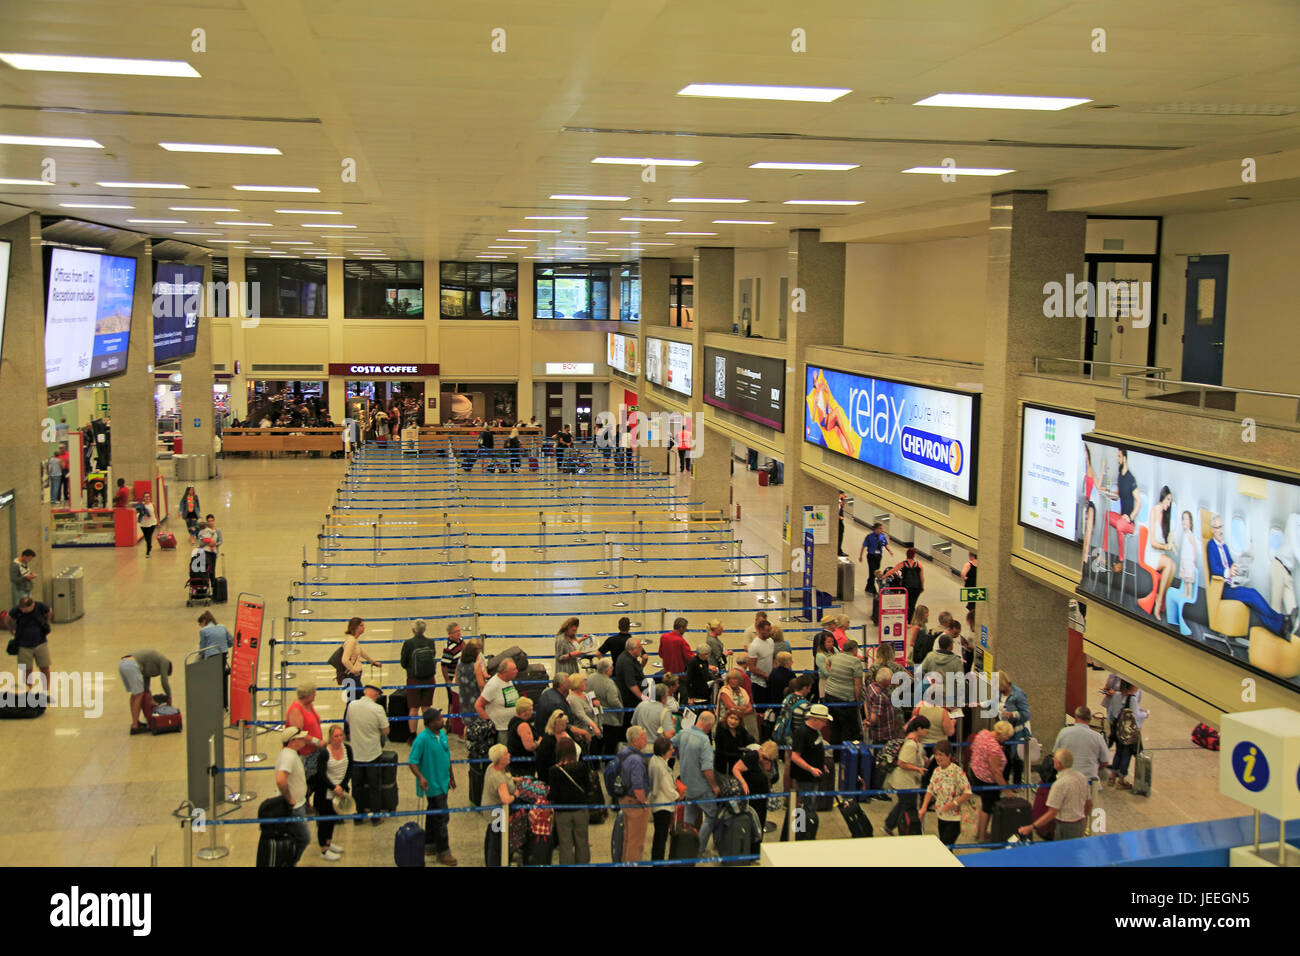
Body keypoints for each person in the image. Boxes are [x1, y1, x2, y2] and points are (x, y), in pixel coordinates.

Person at [1207, 513, 1298, 638]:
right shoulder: (1211, 546)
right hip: (1221, 588)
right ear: (1212, 530)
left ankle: (1281, 629)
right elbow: (1214, 569)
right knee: (1253, 595)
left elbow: (1231, 563)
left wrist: (1239, 566)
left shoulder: (1225, 546)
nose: (1220, 530)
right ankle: (1283, 621)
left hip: (1231, 584)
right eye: (1217, 528)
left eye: (1221, 527)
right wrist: (1228, 571)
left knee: (1254, 602)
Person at [408, 708, 457, 865]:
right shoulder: (421, 739)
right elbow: (413, 762)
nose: (442, 721)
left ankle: (429, 844)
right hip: (432, 785)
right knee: (442, 818)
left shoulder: (442, 735)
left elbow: (447, 756)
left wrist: (452, 776)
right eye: (438, 719)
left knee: (432, 814)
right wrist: (421, 777)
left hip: (443, 782)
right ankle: (443, 852)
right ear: (430, 723)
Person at [1019, 749, 1092, 841]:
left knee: (1062, 853)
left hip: (1065, 827)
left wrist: (1031, 827)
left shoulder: (1059, 784)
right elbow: (1089, 803)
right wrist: (1083, 822)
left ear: (1058, 763)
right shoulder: (1081, 777)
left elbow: (1052, 812)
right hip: (1079, 823)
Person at [675, 712, 719, 853]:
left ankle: (686, 846)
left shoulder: (683, 733)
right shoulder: (704, 741)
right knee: (711, 816)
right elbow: (707, 768)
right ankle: (698, 848)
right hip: (701, 787)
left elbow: (670, 745)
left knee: (689, 818)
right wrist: (714, 786)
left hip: (686, 785)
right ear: (708, 725)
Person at [309, 723, 353, 861]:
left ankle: (329, 842)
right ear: (330, 737)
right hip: (326, 792)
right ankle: (323, 849)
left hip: (340, 791)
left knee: (333, 818)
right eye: (336, 736)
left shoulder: (348, 749)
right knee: (324, 821)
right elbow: (321, 775)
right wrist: (334, 787)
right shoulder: (324, 753)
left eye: (341, 735)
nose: (339, 739)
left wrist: (342, 786)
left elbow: (349, 769)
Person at [790, 703, 832, 839]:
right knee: (806, 807)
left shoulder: (816, 732)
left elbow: (816, 750)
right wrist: (811, 769)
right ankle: (802, 835)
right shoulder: (802, 733)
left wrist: (822, 765)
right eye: (824, 721)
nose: (825, 724)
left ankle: (807, 832)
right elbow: (795, 756)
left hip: (814, 776)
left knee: (810, 806)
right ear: (815, 719)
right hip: (805, 777)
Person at [919, 739, 973, 846]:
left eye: (941, 754)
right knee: (946, 846)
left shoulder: (957, 771)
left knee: (945, 845)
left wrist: (953, 804)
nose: (938, 757)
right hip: (941, 815)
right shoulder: (937, 771)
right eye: (936, 754)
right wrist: (924, 807)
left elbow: (967, 792)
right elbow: (930, 789)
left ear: (949, 756)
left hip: (955, 817)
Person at [548, 737, 593, 864]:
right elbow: (588, 788)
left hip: (563, 812)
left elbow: (553, 794)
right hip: (581, 810)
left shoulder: (553, 771)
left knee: (565, 843)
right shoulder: (582, 767)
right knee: (582, 841)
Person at [884, 716, 930, 835]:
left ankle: (889, 825)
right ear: (919, 728)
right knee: (907, 807)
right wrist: (918, 768)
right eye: (926, 729)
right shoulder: (911, 744)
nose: (928, 732)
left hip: (908, 782)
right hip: (905, 782)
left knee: (903, 804)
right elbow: (901, 763)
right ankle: (903, 829)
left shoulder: (916, 741)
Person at [275, 726, 313, 865]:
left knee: (295, 838)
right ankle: (290, 862)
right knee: (304, 838)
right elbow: (280, 780)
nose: (304, 739)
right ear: (292, 741)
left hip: (297, 804)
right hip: (294, 807)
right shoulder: (289, 756)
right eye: (300, 738)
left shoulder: (289, 753)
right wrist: (289, 798)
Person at [970, 721, 1014, 842]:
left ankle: (980, 832)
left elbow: (972, 747)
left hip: (976, 774)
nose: (1006, 740)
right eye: (1006, 737)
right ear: (1000, 734)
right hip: (987, 780)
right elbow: (996, 772)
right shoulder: (994, 748)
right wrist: (1006, 790)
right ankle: (982, 837)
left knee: (984, 804)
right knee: (987, 808)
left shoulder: (983, 733)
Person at [1053, 705, 1112, 794]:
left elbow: (1055, 755)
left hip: (1065, 781)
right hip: (1089, 783)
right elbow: (1105, 762)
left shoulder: (1064, 732)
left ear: (1075, 717)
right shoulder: (1097, 737)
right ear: (1090, 719)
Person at [1103, 447, 1142, 576]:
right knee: (1106, 515)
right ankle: (1103, 552)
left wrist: (1130, 518)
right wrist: (1108, 493)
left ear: (1124, 458)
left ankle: (1121, 560)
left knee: (1120, 525)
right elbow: (1118, 495)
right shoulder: (1120, 476)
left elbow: (1139, 502)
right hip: (1121, 519)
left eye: (1119, 456)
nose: (1117, 459)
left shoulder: (1131, 479)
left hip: (1129, 524)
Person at [864, 667, 903, 799]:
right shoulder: (880, 696)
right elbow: (875, 718)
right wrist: (870, 720)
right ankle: (877, 791)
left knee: (877, 760)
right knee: (882, 762)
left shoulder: (871, 687)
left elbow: (865, 703)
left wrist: (867, 717)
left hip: (876, 733)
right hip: (882, 733)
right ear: (886, 680)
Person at [616, 726, 652, 862]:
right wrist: (643, 803)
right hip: (634, 803)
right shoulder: (636, 760)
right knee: (636, 842)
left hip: (624, 799)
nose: (646, 740)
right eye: (643, 737)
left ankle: (625, 862)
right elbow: (638, 786)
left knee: (628, 837)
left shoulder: (623, 752)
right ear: (636, 740)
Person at [400, 619, 439, 738]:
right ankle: (429, 733)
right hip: (429, 679)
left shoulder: (408, 643)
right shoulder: (431, 642)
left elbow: (403, 662)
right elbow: (433, 656)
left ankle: (412, 735)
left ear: (413, 630)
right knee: (426, 708)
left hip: (413, 679)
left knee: (414, 709)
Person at [822, 638, 865, 745]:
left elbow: (827, 661)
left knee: (834, 726)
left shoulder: (835, 657)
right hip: (845, 699)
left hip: (829, 694)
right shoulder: (856, 662)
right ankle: (848, 755)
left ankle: (836, 754)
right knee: (849, 729)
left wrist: (831, 671)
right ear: (855, 650)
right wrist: (858, 701)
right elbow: (858, 685)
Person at [118, 649, 171, 733]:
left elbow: (146, 685)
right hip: (132, 665)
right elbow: (164, 680)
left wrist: (151, 700)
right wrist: (169, 696)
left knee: (135, 694)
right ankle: (135, 726)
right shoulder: (165, 662)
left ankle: (135, 722)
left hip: (123, 664)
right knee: (139, 694)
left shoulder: (152, 663)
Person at [346, 684, 390, 786]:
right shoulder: (378, 709)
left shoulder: (352, 705)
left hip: (356, 754)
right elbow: (386, 730)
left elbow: (348, 722)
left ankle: (358, 803)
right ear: (376, 694)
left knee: (357, 788)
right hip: (373, 753)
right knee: (374, 788)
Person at [1144, 486, 1177, 618]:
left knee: (1173, 567)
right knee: (1169, 564)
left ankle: (1161, 597)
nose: (1168, 504)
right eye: (1168, 500)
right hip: (1150, 554)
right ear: (1163, 497)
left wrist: (1170, 544)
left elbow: (1162, 541)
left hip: (1157, 554)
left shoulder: (1165, 516)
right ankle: (1158, 603)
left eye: (1170, 501)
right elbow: (1152, 542)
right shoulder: (1154, 510)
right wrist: (1165, 547)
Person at [10, 596, 52, 698]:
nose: (23, 611)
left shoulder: (40, 607)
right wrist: (11, 630)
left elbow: (49, 611)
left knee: (44, 668)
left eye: (26, 609)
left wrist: (46, 622)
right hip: (23, 646)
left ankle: (45, 692)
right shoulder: (16, 610)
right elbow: (8, 618)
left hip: (40, 643)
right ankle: (29, 692)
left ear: (32, 605)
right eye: (22, 609)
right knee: (26, 670)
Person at [481, 744, 517, 866]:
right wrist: (516, 795)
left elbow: (506, 779)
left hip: (489, 811)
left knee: (491, 836)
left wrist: (516, 780)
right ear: (500, 759)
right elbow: (506, 799)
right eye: (506, 753)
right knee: (496, 842)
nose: (509, 755)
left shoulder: (491, 767)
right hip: (497, 815)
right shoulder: (499, 779)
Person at [1109, 681, 1148, 790]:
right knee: (1126, 754)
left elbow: (1111, 711)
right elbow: (1135, 716)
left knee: (1118, 752)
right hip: (1127, 732)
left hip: (1117, 728)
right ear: (1131, 686)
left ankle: (1112, 776)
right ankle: (1121, 779)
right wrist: (1146, 714)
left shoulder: (1116, 695)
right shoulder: (1132, 699)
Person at [648, 736, 680, 861]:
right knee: (661, 838)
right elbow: (667, 789)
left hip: (659, 803)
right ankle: (658, 862)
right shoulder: (661, 767)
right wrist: (678, 796)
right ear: (663, 751)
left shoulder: (655, 760)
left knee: (659, 837)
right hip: (663, 806)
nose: (673, 751)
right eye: (671, 749)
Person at [998, 671, 1032, 784]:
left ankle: (1017, 783)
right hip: (1004, 731)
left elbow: (1026, 714)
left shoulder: (1018, 694)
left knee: (1016, 758)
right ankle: (1005, 781)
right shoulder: (1000, 693)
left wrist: (1013, 714)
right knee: (1005, 757)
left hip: (1016, 732)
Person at [476, 657, 520, 744]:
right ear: (505, 672)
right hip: (501, 730)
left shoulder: (509, 681)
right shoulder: (493, 685)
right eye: (514, 669)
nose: (517, 671)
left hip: (511, 726)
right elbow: (478, 705)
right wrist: (489, 723)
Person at [588, 656, 624, 754]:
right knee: (610, 746)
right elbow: (613, 701)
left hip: (595, 717)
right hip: (610, 719)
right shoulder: (609, 683)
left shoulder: (590, 678)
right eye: (611, 667)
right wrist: (621, 711)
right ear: (607, 670)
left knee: (598, 743)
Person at [337, 618, 378, 702]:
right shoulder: (351, 641)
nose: (364, 627)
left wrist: (372, 662)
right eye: (361, 625)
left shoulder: (353, 640)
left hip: (354, 677)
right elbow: (344, 660)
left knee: (354, 701)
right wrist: (354, 670)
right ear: (355, 627)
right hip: (351, 677)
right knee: (354, 701)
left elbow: (361, 652)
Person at [285, 683, 324, 762]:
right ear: (307, 695)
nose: (315, 695)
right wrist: (317, 742)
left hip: (314, 750)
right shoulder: (296, 710)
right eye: (313, 693)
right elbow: (298, 734)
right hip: (304, 754)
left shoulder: (308, 705)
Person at [534, 709, 575, 782]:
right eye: (564, 724)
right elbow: (541, 763)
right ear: (557, 725)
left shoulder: (567, 733)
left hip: (572, 772)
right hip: (555, 778)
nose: (566, 726)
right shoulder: (547, 741)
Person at [888, 548, 926, 623]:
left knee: (904, 603)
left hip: (905, 587)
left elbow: (893, 570)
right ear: (914, 555)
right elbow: (922, 578)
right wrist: (922, 587)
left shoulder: (903, 564)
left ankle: (902, 618)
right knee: (912, 604)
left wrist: (884, 576)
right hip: (916, 588)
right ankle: (909, 621)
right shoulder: (919, 565)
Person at [441, 623, 466, 734]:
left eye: (459, 631)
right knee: (452, 702)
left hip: (462, 678)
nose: (459, 633)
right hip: (453, 679)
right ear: (450, 634)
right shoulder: (448, 648)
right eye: (456, 632)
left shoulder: (461, 641)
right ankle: (449, 723)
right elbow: (443, 666)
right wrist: (448, 681)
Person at [713, 709, 754, 775]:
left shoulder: (741, 729)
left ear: (740, 721)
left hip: (737, 767)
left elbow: (750, 741)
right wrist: (740, 755)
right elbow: (720, 751)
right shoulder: (721, 728)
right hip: (723, 766)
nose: (733, 721)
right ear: (727, 718)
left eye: (736, 719)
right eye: (731, 718)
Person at [506, 697, 539, 777]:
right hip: (523, 766)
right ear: (524, 712)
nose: (532, 712)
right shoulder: (523, 726)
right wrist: (539, 743)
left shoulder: (513, 720)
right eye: (530, 710)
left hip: (515, 764)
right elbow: (529, 746)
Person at [615, 638, 647, 720]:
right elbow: (631, 684)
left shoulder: (629, 657)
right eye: (640, 647)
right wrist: (643, 697)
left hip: (633, 698)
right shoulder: (627, 662)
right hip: (631, 701)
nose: (641, 649)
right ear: (633, 649)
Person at [747, 616, 775, 707]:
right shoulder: (754, 646)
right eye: (767, 631)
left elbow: (772, 658)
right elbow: (752, 667)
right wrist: (765, 675)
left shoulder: (770, 641)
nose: (769, 633)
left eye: (770, 630)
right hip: (758, 683)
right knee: (760, 710)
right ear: (759, 630)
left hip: (770, 681)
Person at [859, 522, 894, 595]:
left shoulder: (882, 536)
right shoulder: (869, 537)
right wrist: (861, 556)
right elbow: (863, 546)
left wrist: (890, 551)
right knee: (872, 572)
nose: (882, 530)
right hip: (871, 556)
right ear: (876, 529)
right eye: (880, 528)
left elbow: (885, 544)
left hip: (878, 556)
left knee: (876, 572)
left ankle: (868, 586)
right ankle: (872, 588)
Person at [566, 673, 601, 744]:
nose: (585, 683)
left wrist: (597, 705)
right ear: (577, 684)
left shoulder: (585, 694)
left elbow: (596, 711)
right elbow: (581, 715)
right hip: (583, 735)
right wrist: (594, 726)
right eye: (582, 682)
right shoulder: (573, 699)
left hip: (594, 732)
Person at [684, 643, 715, 707]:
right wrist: (691, 697)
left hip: (705, 692)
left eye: (708, 654)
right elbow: (688, 680)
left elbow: (706, 674)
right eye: (706, 654)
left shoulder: (705, 661)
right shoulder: (693, 663)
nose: (708, 656)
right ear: (700, 654)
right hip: (696, 694)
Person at [813, 630, 838, 700]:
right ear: (823, 643)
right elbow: (826, 673)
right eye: (828, 642)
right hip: (825, 683)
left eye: (832, 642)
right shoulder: (820, 656)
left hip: (836, 684)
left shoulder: (835, 649)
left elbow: (840, 661)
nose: (831, 644)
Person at [134, 492, 158, 557]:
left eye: (148, 496)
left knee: (149, 536)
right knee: (146, 537)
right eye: (145, 497)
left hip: (152, 523)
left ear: (150, 497)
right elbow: (137, 512)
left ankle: (148, 552)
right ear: (143, 498)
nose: (147, 498)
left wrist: (157, 521)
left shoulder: (153, 505)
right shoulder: (141, 505)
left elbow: (155, 513)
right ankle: (149, 545)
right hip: (143, 524)